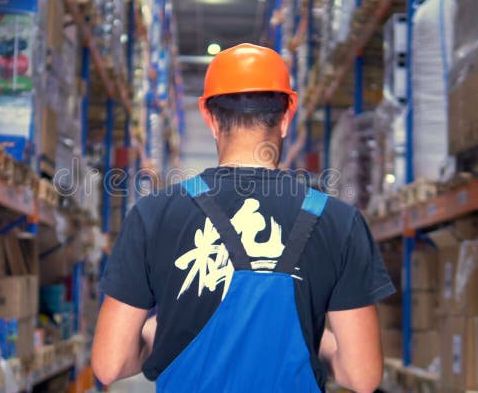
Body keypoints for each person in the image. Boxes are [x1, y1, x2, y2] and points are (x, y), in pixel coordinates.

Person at [92, 43, 395, 393]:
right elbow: (362, 375)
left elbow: (109, 363)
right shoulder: (339, 222)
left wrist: (155, 335)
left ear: (209, 117)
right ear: (286, 117)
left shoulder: (153, 214)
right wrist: (317, 339)